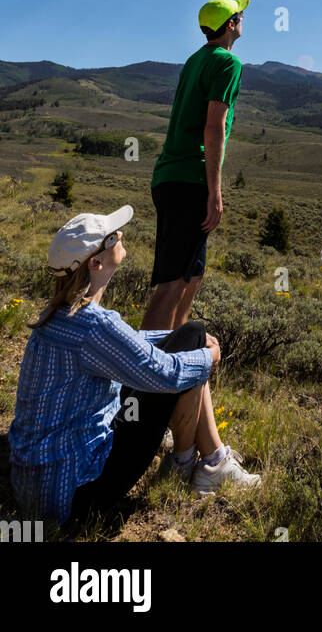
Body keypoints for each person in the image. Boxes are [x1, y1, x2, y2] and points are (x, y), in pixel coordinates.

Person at [8, 205, 260, 525]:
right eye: (113, 237)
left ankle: (205, 459)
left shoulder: (58, 316)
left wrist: (177, 339)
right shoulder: (93, 325)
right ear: (96, 263)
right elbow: (166, 374)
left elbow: (126, 343)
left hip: (37, 487)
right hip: (77, 495)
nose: (122, 236)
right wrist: (206, 356)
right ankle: (196, 464)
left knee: (188, 338)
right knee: (191, 343)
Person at [141, 0, 249, 332]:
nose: (244, 19)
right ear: (231, 24)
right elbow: (214, 126)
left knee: (192, 276)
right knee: (173, 282)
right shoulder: (228, 63)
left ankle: (175, 359)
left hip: (173, 178)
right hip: (190, 181)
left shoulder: (194, 60)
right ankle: (142, 375)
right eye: (240, 14)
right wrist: (214, 191)